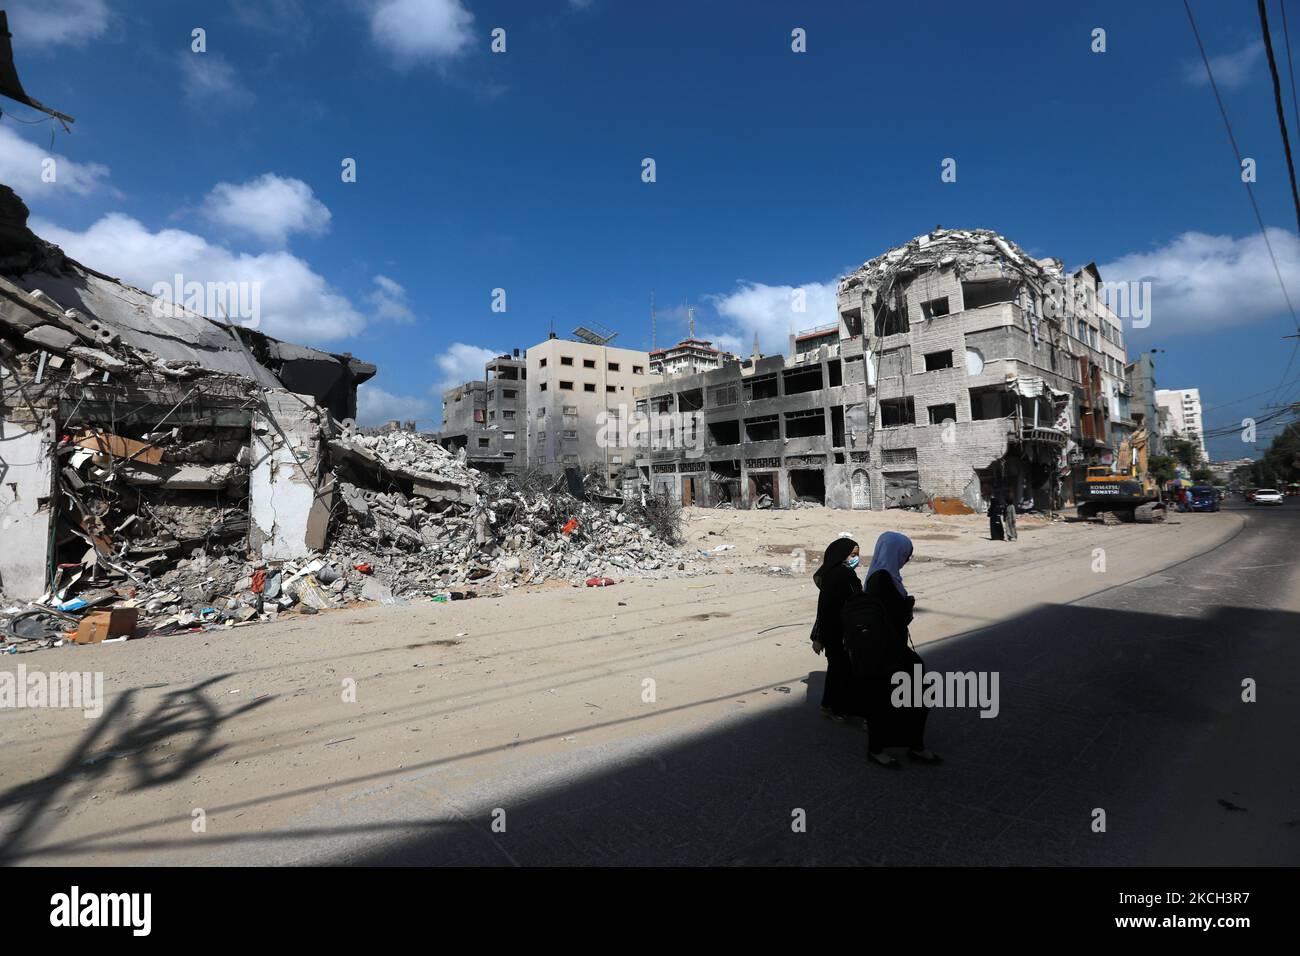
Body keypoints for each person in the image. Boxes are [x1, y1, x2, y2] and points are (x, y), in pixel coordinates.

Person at [844, 531, 939, 768]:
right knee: (892, 699)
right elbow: (889, 616)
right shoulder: (883, 578)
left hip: (891, 649)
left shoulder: (884, 574)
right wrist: (907, 606)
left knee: (908, 695)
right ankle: (882, 748)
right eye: (905, 554)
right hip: (884, 652)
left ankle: (913, 744)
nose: (905, 560)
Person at [811, 537, 862, 721]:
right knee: (840, 670)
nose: (854, 558)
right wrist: (820, 636)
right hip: (839, 632)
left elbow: (823, 608)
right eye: (852, 555)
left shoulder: (831, 573)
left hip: (836, 631)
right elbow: (827, 609)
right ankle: (833, 707)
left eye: (856, 555)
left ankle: (836, 706)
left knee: (839, 669)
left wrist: (819, 636)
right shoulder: (841, 575)